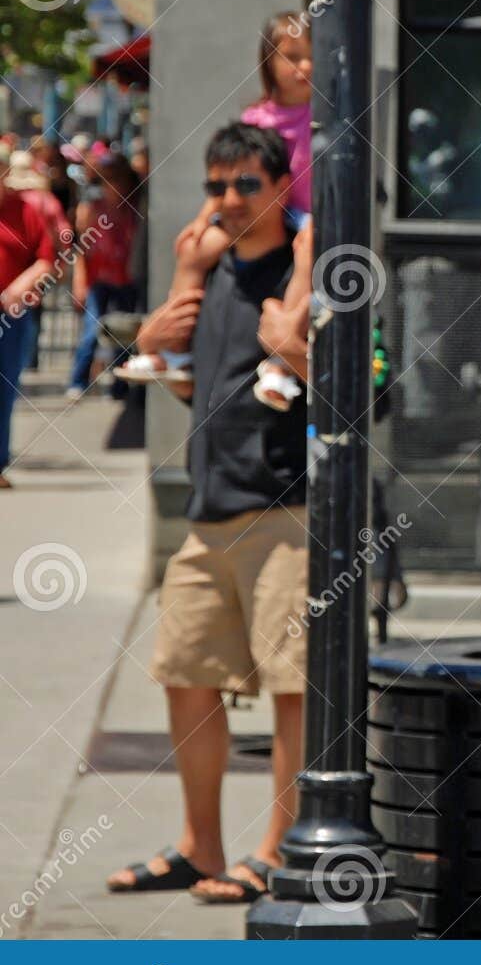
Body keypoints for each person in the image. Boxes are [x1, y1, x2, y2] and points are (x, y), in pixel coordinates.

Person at [105, 122, 309, 903]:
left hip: (287, 512)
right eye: (216, 185)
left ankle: (279, 849)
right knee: (186, 674)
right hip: (208, 509)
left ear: (282, 186)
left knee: (292, 686)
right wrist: (155, 339)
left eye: (246, 184)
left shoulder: (311, 272)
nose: (229, 198)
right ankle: (201, 845)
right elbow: (201, 384)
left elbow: (376, 385)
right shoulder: (214, 272)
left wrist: (296, 349)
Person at [118, 12, 314, 410]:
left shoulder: (324, 113)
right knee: (195, 247)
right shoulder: (258, 118)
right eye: (292, 56)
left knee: (310, 248)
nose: (305, 66)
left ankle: (282, 357)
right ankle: (174, 351)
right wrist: (202, 218)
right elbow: (229, 179)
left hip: (302, 215)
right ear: (269, 62)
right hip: (267, 211)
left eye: (312, 56)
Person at [0, 153, 65, 489]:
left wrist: (20, 285)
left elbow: (46, 259)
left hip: (10, 312)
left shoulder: (25, 210)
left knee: (4, 387)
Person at [66, 155, 142, 399]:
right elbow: (81, 249)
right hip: (98, 279)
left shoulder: (134, 208)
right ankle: (78, 381)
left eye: (116, 180)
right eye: (106, 180)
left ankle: (120, 385)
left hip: (125, 279)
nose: (112, 186)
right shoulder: (91, 209)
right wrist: (79, 282)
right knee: (91, 331)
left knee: (124, 333)